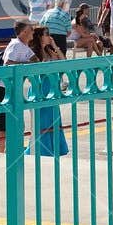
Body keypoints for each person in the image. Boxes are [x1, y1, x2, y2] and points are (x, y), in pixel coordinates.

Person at [0, 20, 39, 152]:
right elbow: (7, 63)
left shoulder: (24, 47)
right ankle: (1, 152)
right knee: (3, 124)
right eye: (31, 29)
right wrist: (25, 65)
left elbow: (36, 61)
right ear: (24, 32)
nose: (33, 32)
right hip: (5, 88)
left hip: (13, 88)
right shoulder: (15, 45)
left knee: (16, 121)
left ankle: (11, 149)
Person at [30, 26, 69, 157]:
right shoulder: (34, 52)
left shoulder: (50, 51)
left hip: (51, 88)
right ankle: (41, 150)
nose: (49, 37)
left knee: (53, 118)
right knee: (42, 120)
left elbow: (63, 61)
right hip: (41, 88)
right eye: (47, 34)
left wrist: (54, 45)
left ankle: (54, 148)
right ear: (40, 36)